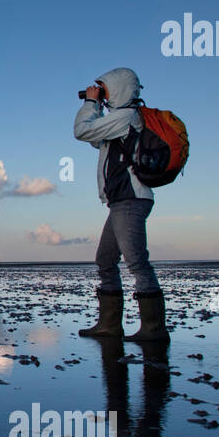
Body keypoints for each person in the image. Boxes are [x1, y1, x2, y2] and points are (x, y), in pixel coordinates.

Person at [73, 67, 168, 342]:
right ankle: (109, 325)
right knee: (105, 260)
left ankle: (154, 329)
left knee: (137, 262)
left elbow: (81, 131)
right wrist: (98, 107)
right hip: (120, 201)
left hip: (131, 198)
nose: (99, 91)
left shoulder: (127, 117)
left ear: (118, 90)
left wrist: (91, 103)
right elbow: (94, 139)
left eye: (103, 88)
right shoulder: (121, 120)